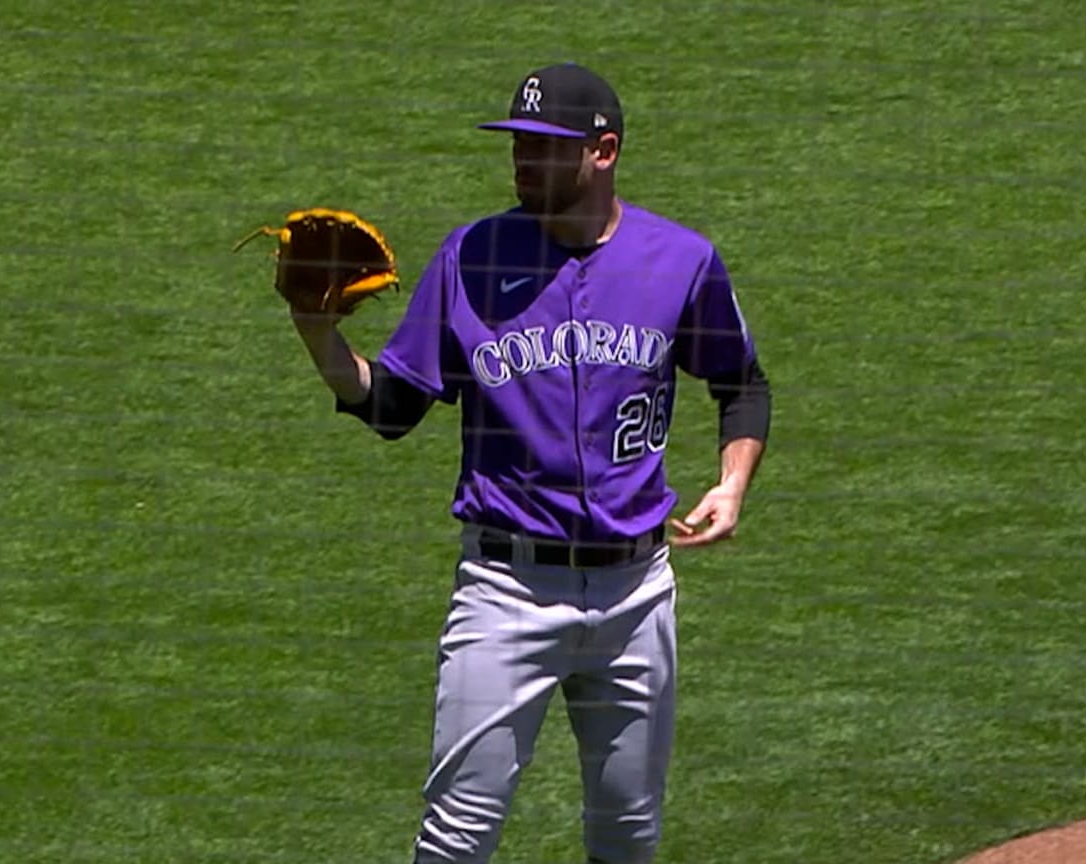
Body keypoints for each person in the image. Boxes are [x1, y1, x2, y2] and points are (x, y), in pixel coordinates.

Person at [284, 62, 772, 863]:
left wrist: (732, 483)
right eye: (518, 146)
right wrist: (318, 338)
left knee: (627, 837)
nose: (523, 163)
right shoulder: (473, 256)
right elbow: (392, 407)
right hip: (507, 592)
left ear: (603, 151)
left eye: (545, 149)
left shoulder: (679, 260)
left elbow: (740, 381)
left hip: (636, 596)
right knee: (455, 839)